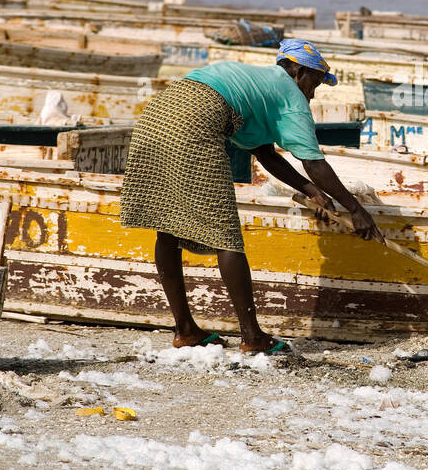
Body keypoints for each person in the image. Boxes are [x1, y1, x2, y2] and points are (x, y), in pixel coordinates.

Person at [120, 38, 382, 353]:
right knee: (225, 236)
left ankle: (185, 329)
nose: (314, 92)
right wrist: (355, 209)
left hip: (158, 114)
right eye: (315, 81)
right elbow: (313, 162)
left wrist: (312, 192)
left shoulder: (259, 81)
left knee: (169, 226)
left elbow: (265, 153)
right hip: (195, 119)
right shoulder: (290, 94)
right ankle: (253, 337)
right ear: (297, 71)